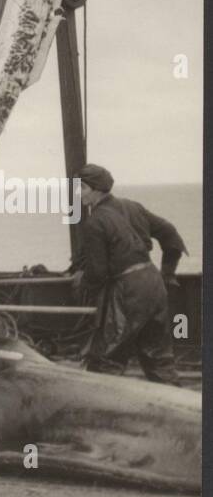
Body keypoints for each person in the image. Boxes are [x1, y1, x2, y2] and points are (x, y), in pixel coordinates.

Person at [72, 163, 186, 384]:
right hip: (153, 283)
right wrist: (168, 273)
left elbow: (98, 273)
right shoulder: (132, 206)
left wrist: (81, 284)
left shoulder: (95, 222)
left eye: (82, 188)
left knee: (105, 360)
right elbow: (170, 234)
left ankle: (99, 414)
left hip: (128, 291)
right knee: (159, 358)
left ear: (96, 189)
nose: (79, 194)